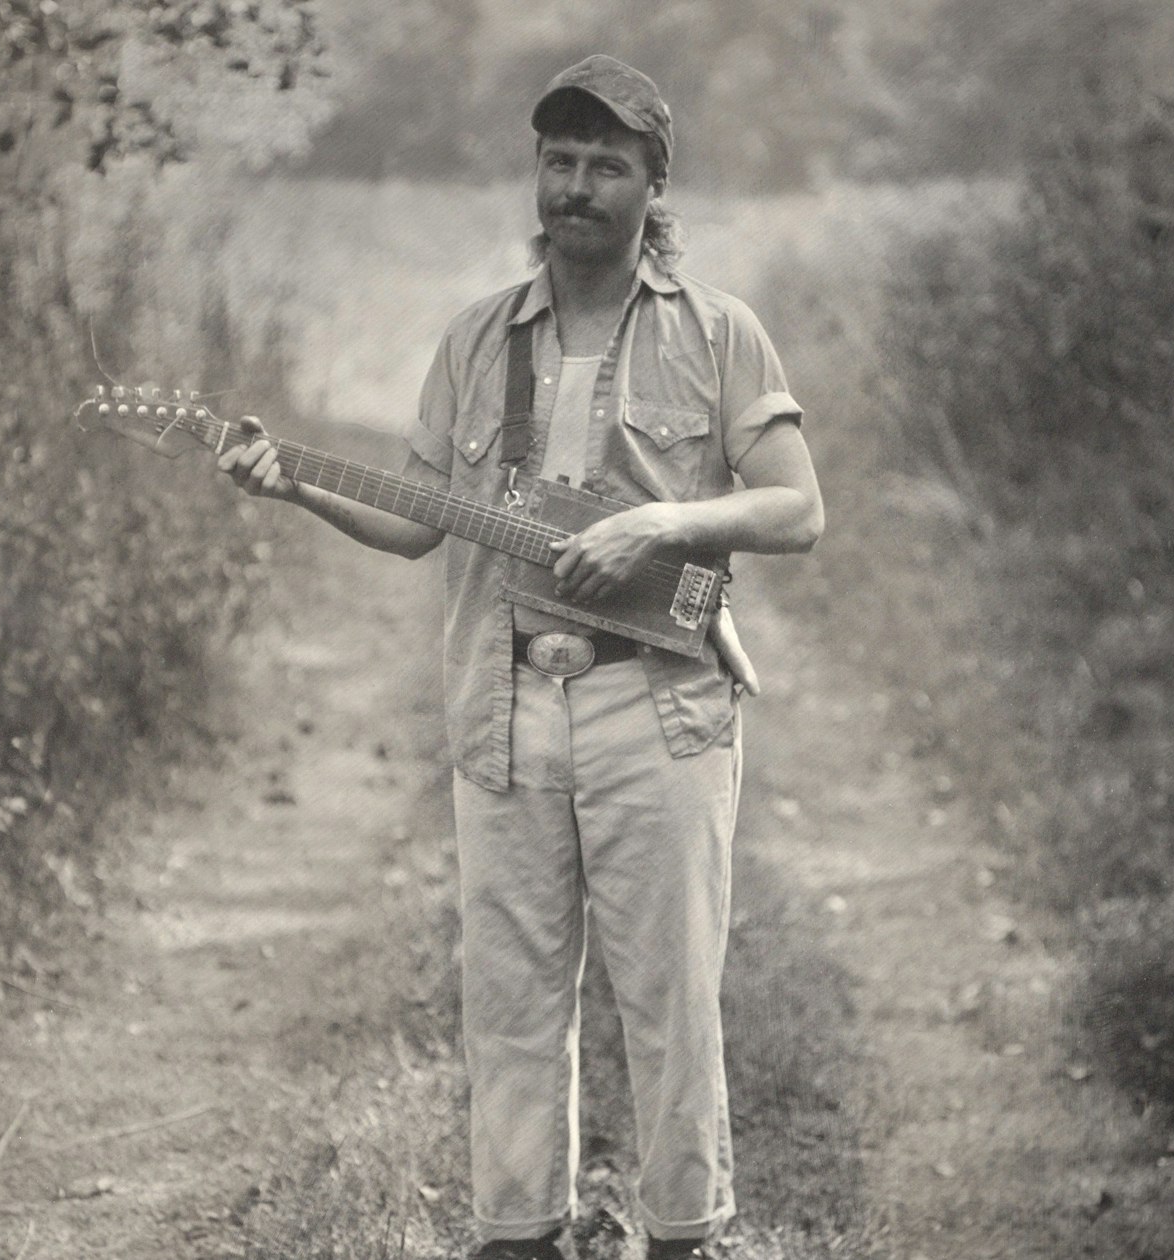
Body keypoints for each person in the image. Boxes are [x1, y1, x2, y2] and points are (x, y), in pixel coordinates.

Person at [213, 54, 823, 1260]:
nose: (577, 186)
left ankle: (683, 1236)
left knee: (671, 1006)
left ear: (655, 186)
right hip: (505, 711)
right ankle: (516, 1236)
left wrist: (663, 521)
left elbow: (797, 510)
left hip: (660, 707)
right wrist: (294, 487)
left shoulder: (718, 334)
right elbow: (421, 522)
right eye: (559, 161)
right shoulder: (476, 341)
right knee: (510, 1010)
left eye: (607, 164)